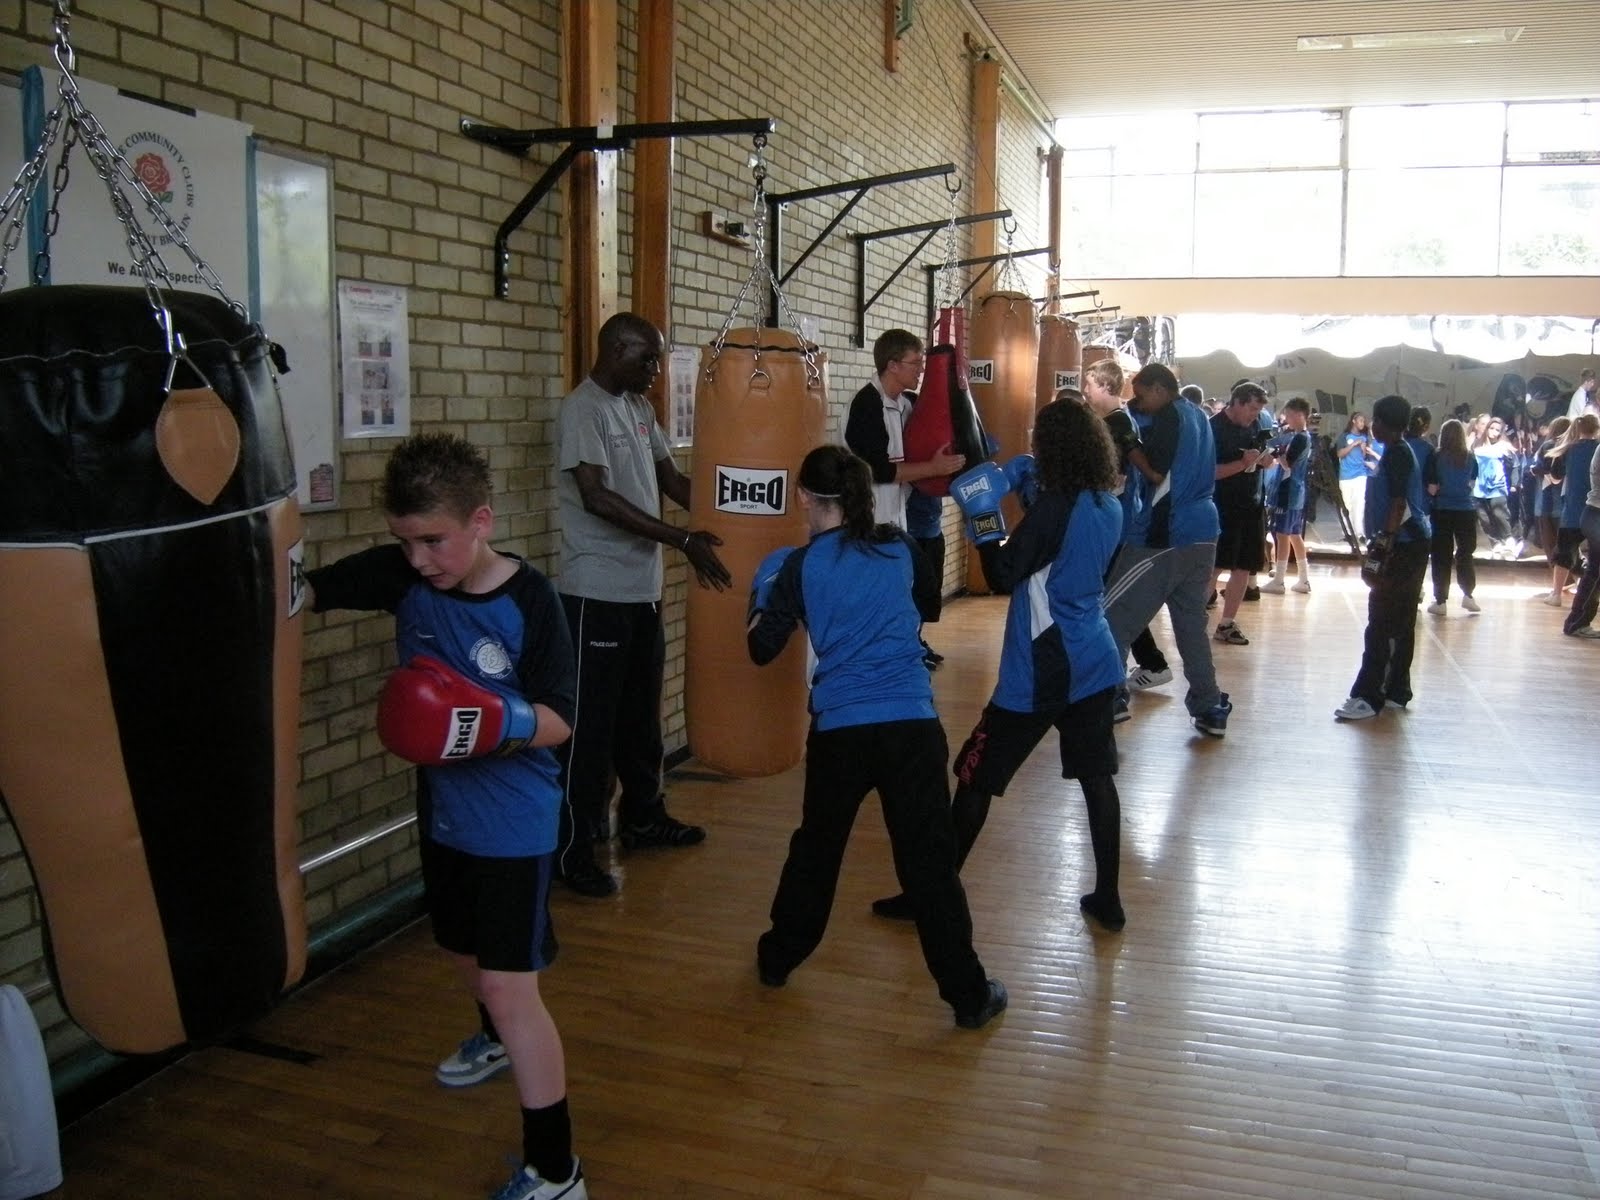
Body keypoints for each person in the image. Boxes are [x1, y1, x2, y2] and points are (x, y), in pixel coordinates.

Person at [306, 433, 589, 1200]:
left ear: (481, 521)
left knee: (507, 985)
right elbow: (307, 590)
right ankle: (499, 1029)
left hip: (516, 823)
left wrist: (485, 719)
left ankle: (557, 1171)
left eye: (435, 540)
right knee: (462, 952)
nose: (421, 558)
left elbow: (563, 718)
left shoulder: (530, 600)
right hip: (444, 817)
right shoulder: (404, 577)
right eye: (407, 541)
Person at [746, 445, 1007, 1029]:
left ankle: (777, 959)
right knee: (930, 866)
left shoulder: (797, 566)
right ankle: (968, 998)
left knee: (817, 851)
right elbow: (921, 607)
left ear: (807, 499)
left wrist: (759, 601)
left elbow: (761, 650)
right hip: (912, 727)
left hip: (841, 730)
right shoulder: (900, 546)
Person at [874, 398, 1128, 931]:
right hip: (1095, 657)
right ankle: (1108, 897)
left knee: (975, 777)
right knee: (1098, 779)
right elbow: (1060, 552)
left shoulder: (1056, 507)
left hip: (1042, 663)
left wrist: (984, 516)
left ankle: (929, 894)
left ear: (1052, 449)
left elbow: (1006, 570)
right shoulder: (1108, 503)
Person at [553, 312, 731, 897]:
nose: (656, 371)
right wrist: (682, 540)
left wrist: (736, 511)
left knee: (640, 719)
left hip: (642, 592)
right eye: (647, 358)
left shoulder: (638, 409)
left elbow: (673, 481)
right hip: (595, 594)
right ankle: (572, 849)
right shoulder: (585, 410)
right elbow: (596, 496)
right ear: (616, 348)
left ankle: (643, 819)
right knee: (590, 728)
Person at [1102, 364, 1230, 736]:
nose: (1136, 401)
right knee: (1190, 627)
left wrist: (1130, 445)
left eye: (1141, 394)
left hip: (1167, 533)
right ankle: (1209, 707)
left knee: (1110, 617)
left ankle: (1110, 698)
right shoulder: (1197, 414)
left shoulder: (1171, 415)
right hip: (1204, 531)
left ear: (1159, 389)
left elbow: (1158, 474)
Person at [1334, 394, 1431, 721]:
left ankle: (1369, 695)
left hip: (1404, 545)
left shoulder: (1399, 455)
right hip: (1404, 544)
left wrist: (1383, 544)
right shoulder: (1395, 452)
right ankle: (1396, 690)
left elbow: (1398, 503)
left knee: (1384, 620)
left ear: (1380, 423)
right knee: (1399, 620)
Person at [1082, 357, 1172, 693]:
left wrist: (1149, 474)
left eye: (1089, 385)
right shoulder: (1120, 420)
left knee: (1111, 598)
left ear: (1104, 386)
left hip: (1116, 524)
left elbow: (1126, 465)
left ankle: (1131, 672)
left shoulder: (1118, 423)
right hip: (1119, 520)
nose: (1086, 391)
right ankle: (1147, 663)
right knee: (1112, 597)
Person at [843, 328, 965, 533]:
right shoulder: (867, 405)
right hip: (864, 527)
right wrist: (934, 468)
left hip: (895, 521)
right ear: (893, 366)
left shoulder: (908, 404)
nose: (921, 369)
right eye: (915, 363)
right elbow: (879, 471)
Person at [1208, 382, 1275, 644]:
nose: (1254, 416)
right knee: (1215, 565)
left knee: (1244, 565)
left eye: (1258, 411)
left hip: (1252, 505)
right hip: (1222, 507)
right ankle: (1194, 619)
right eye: (1252, 409)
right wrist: (1242, 464)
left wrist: (1264, 461)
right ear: (1236, 402)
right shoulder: (1214, 429)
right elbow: (1209, 472)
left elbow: (1260, 457)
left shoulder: (1257, 425)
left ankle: (1226, 623)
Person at [1426, 418, 1482, 616]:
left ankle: (1440, 600)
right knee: (1465, 553)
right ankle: (1468, 595)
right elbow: (1471, 484)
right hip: (1466, 510)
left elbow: (1432, 489)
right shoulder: (1470, 457)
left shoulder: (1436, 456)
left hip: (1441, 510)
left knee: (1441, 555)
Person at [1260, 397, 1314, 594]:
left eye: (1289, 415)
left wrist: (1276, 452)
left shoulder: (1300, 438)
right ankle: (1303, 579)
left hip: (1288, 491)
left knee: (1282, 535)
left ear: (1299, 415)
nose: (1287, 420)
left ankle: (1279, 580)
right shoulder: (1303, 437)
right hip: (1295, 492)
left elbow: (1287, 463)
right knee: (1294, 534)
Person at [1550, 415, 1600, 610]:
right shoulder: (1596, 448)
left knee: (1564, 553)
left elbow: (1555, 477)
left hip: (1572, 510)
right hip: (1595, 510)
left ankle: (1556, 594)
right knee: (1596, 557)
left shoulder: (1569, 449)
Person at [1561, 416, 1600, 639]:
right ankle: (1576, 622)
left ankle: (1577, 622)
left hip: (1593, 514)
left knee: (1595, 571)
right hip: (1595, 514)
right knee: (1595, 571)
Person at [1533, 416, 1574, 602]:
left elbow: (1537, 467)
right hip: (1566, 502)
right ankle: (1569, 580)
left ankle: (1562, 584)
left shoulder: (1549, 445)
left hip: (1549, 501)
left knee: (1552, 543)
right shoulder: (1575, 447)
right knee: (1567, 544)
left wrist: (1538, 470)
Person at [1472, 415, 1520, 559]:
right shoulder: (1477, 445)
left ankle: (1508, 539)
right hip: (1479, 486)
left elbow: (1515, 465)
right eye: (1491, 428)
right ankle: (1495, 543)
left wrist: (1514, 483)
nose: (1493, 432)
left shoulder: (1504, 447)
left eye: (1497, 429)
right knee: (1483, 517)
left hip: (1497, 485)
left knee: (1499, 512)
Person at [1336, 413, 1376, 541]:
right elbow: (1340, 454)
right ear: (1353, 421)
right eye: (1360, 420)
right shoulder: (1344, 436)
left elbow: (1364, 457)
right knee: (1347, 504)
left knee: (1359, 503)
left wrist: (1363, 448)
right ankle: (1348, 532)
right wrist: (1353, 444)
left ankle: (1359, 533)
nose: (1362, 423)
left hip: (1360, 474)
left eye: (1363, 421)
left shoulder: (1365, 438)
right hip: (1346, 475)